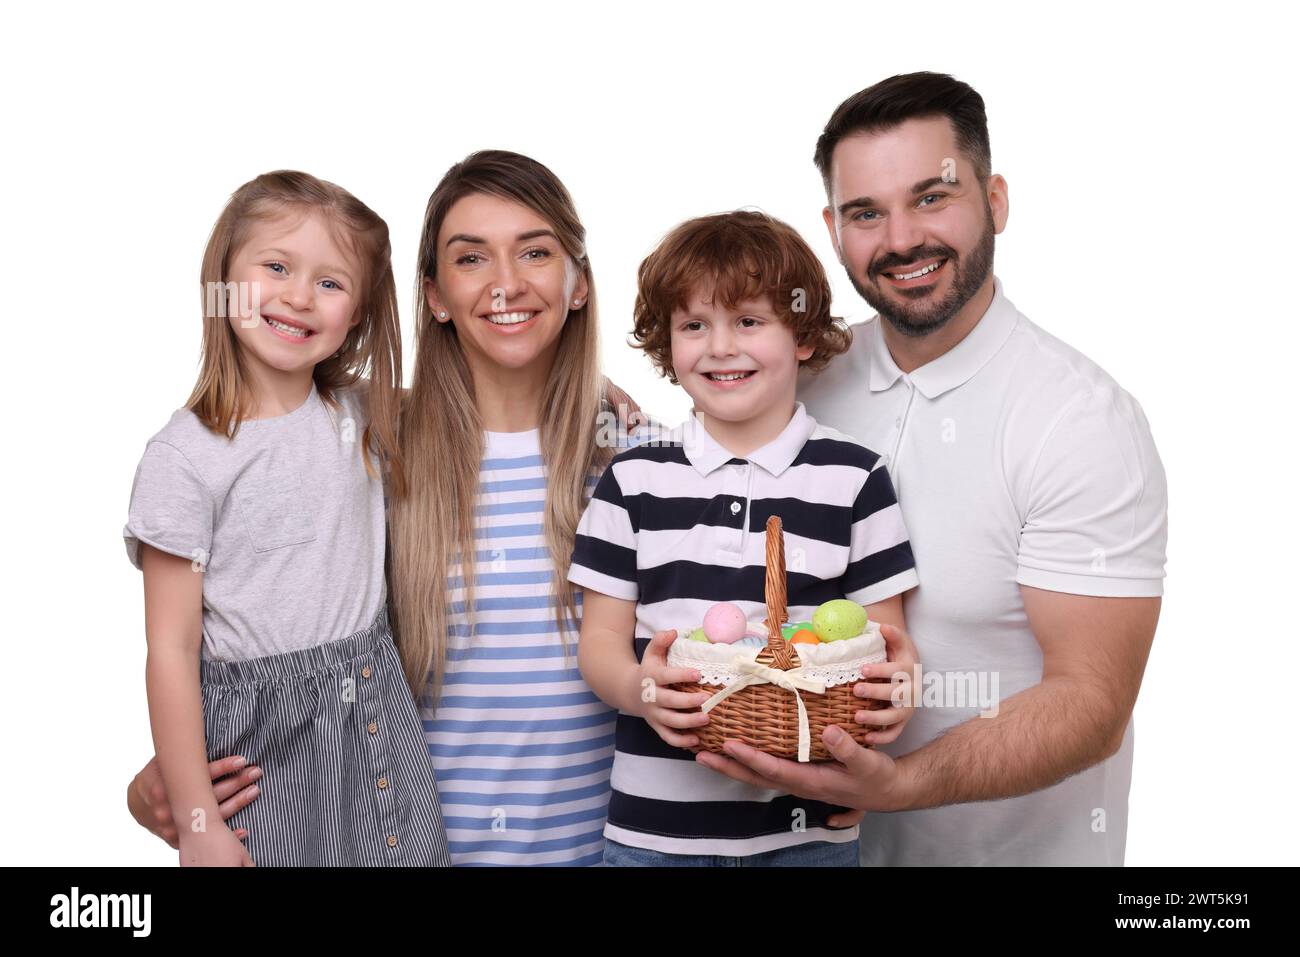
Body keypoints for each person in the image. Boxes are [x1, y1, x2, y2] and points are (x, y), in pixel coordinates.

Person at [701, 72, 1169, 866]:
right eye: (866, 213)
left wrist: (899, 783)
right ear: (833, 228)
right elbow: (684, 465)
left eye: (931, 197)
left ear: (996, 200)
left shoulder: (1079, 421)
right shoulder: (803, 385)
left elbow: (1093, 704)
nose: (900, 239)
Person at [127, 152, 644, 866]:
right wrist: (177, 792)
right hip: (399, 836)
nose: (506, 283)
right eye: (472, 258)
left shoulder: (635, 459)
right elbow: (200, 640)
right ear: (433, 295)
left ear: (578, 280)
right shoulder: (383, 439)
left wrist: (600, 392)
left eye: (536, 251)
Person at [569, 210, 920, 865]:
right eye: (693, 325)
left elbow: (882, 645)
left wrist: (892, 702)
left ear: (804, 336)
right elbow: (600, 645)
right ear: (665, 343)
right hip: (655, 836)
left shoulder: (854, 477)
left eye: (749, 321)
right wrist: (642, 689)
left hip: (806, 833)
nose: (720, 347)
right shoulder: (634, 477)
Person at [122, 170, 449, 866]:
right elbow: (171, 652)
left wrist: (594, 391)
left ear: (358, 314)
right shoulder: (185, 458)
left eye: (331, 283)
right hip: (263, 750)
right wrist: (199, 823)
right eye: (276, 266)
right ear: (223, 276)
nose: (299, 296)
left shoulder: (363, 415)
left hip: (378, 718)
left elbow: (477, 397)